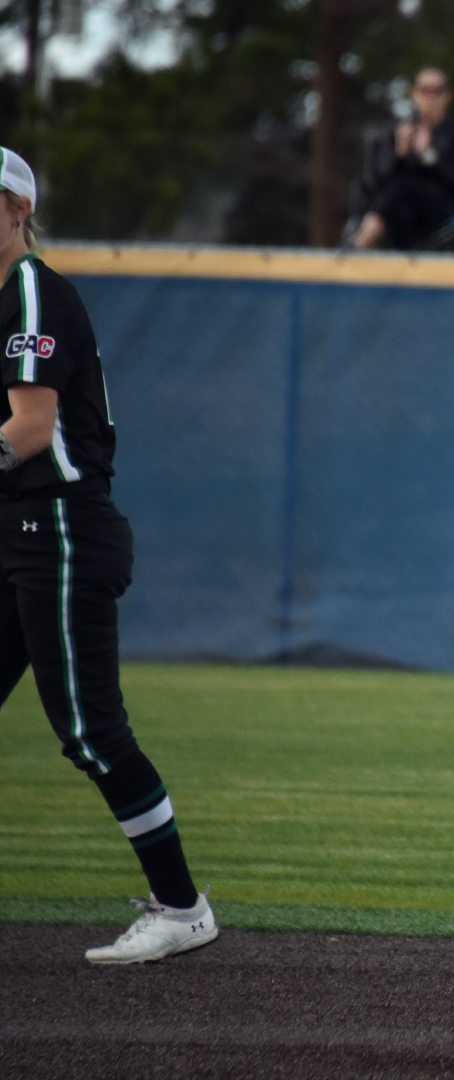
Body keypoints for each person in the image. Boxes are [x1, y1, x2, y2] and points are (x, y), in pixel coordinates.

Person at [0, 149, 217, 963]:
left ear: (19, 208)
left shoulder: (31, 292)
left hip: (58, 531)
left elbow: (26, 432)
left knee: (89, 730)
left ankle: (181, 906)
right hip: (19, 529)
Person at [349, 67, 454, 250]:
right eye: (425, 90)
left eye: (438, 91)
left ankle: (359, 243)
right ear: (414, 94)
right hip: (399, 211)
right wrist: (400, 153)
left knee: (401, 191)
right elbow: (378, 182)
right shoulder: (397, 130)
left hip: (441, 209)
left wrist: (429, 156)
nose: (431, 97)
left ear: (448, 96)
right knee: (397, 196)